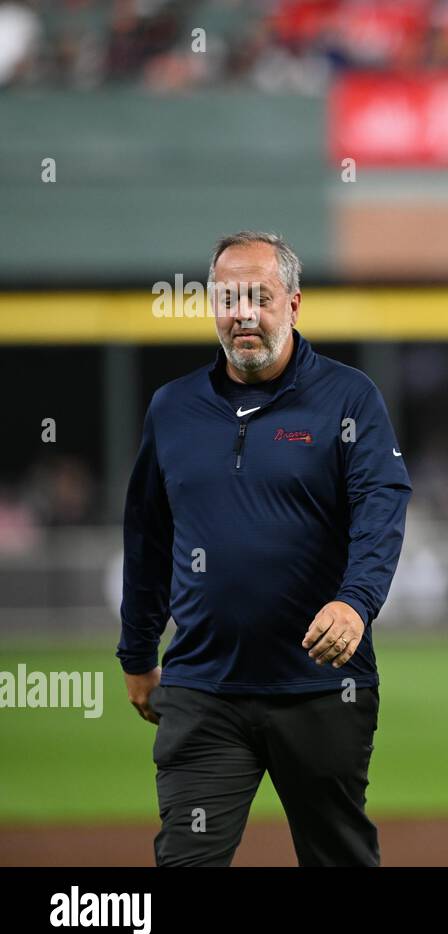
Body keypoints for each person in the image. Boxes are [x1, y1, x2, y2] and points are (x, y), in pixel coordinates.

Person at [117, 231, 411, 866]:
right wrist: (138, 652)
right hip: (202, 688)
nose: (243, 313)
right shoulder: (172, 409)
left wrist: (356, 604)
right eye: (228, 298)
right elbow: (146, 536)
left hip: (321, 686)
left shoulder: (348, 397)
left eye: (259, 296)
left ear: (295, 305)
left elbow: (381, 510)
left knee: (339, 858)